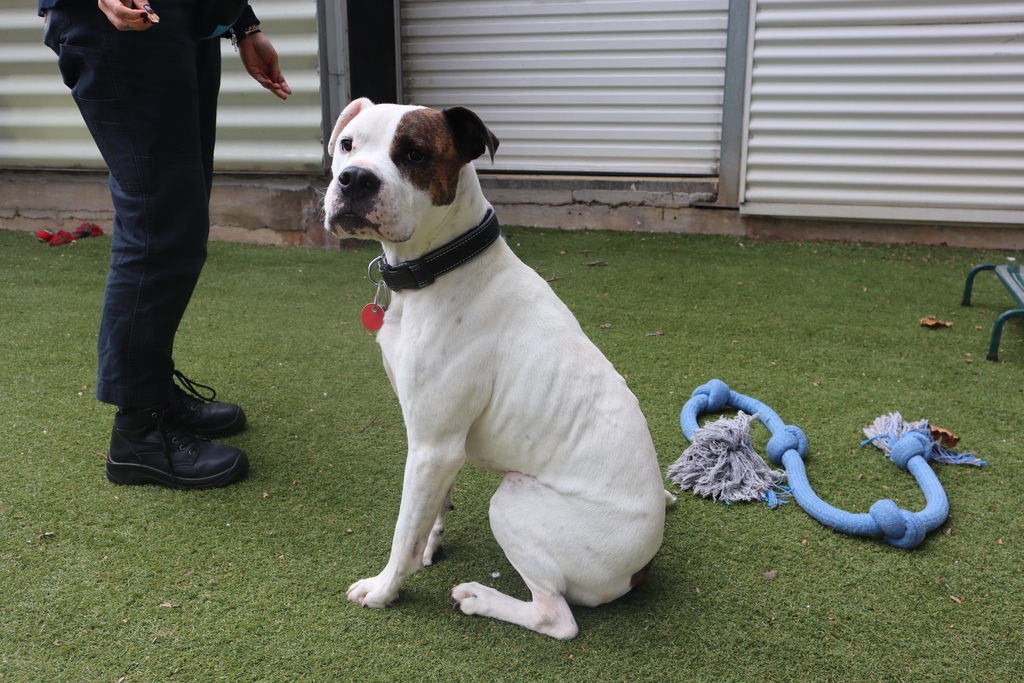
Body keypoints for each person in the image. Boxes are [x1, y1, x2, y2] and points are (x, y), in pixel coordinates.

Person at [40, 0, 292, 489]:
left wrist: (243, 24)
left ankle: (151, 385)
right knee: (159, 223)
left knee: (181, 216)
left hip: (184, 22)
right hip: (121, 23)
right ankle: (138, 431)